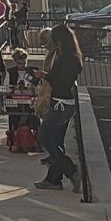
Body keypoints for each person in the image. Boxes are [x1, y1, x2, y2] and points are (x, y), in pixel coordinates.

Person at [38, 23, 84, 192]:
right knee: (56, 140)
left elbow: (61, 82)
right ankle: (53, 179)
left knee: (44, 136)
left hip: (60, 103)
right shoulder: (73, 55)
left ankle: (71, 170)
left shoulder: (66, 59)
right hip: (65, 102)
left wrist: (46, 76)